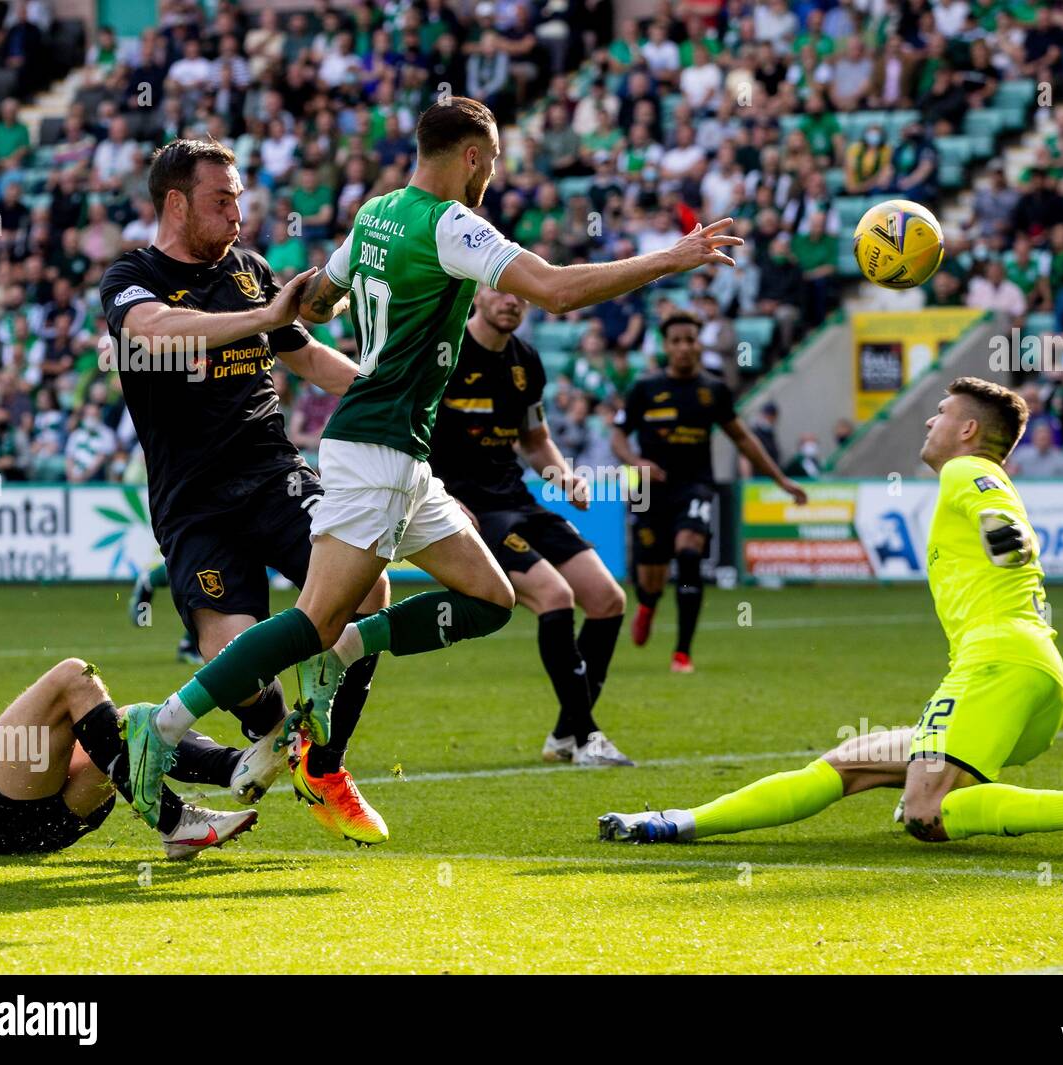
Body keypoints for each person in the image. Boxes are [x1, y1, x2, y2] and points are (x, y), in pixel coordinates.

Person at [121, 97, 742, 828]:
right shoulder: (452, 223)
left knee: (490, 597)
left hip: (399, 452)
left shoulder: (378, 214)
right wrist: (671, 257)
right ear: (473, 156)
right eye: (495, 161)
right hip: (372, 447)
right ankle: (160, 728)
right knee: (314, 620)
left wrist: (305, 301)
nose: (494, 176)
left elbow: (319, 305)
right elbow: (557, 289)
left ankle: (340, 660)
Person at [599, 377, 1063, 859]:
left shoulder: (967, 470)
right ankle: (676, 823)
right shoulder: (972, 479)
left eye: (939, 412)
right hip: (1024, 674)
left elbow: (997, 512)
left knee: (924, 813)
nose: (928, 421)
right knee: (847, 764)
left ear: (967, 429)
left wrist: (1002, 535)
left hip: (995, 666)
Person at [99, 139, 391, 844]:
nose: (239, 213)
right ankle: (274, 736)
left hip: (272, 475)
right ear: (176, 203)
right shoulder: (131, 277)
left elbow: (311, 358)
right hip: (193, 501)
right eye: (221, 199)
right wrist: (260, 319)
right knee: (229, 662)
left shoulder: (252, 273)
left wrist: (390, 393)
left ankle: (323, 765)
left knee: (372, 591)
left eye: (239, 197)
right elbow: (152, 329)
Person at [429, 286, 632, 767]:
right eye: (500, 290)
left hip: (518, 499)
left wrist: (563, 475)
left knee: (607, 600)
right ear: (476, 294)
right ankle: (586, 738)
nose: (511, 301)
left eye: (521, 294)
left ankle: (566, 733)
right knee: (555, 597)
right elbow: (413, 429)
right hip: (472, 510)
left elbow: (535, 437)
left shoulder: (527, 362)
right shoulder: (446, 352)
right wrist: (442, 496)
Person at [611, 310, 806, 673]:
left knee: (688, 555)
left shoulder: (713, 390)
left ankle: (682, 651)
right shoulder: (644, 388)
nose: (685, 347)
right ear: (666, 347)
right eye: (677, 341)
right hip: (649, 491)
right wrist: (634, 461)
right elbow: (618, 435)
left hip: (695, 486)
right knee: (649, 577)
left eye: (691, 340)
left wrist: (781, 480)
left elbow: (743, 439)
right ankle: (649, 604)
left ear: (699, 344)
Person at [0, 658, 261, 858]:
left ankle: (238, 766)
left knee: (128, 722)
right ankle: (176, 819)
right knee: (73, 676)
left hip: (40, 821)